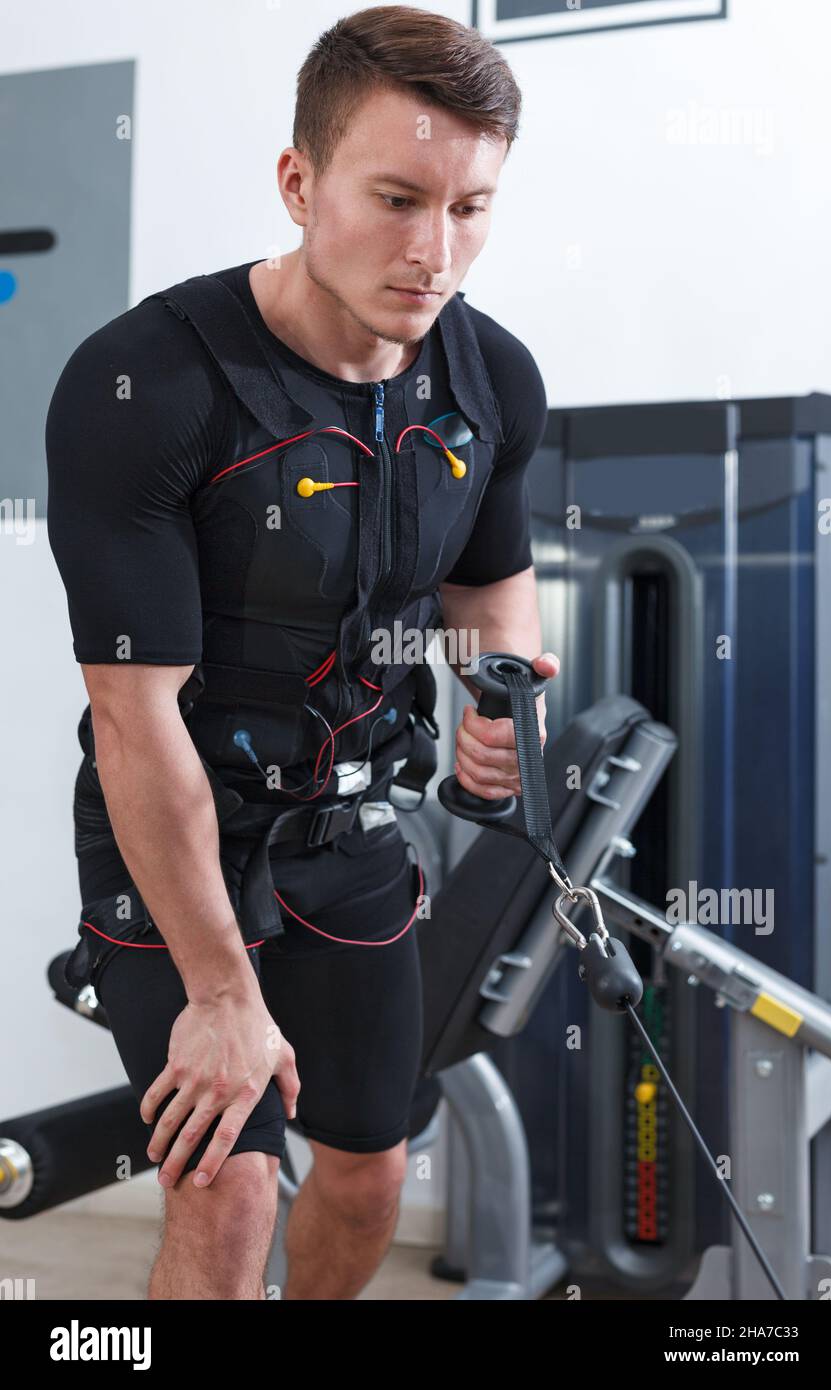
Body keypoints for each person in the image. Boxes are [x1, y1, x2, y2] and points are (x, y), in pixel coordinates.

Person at [46, 3, 559, 1300]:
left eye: (469, 207)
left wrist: (498, 700)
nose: (434, 250)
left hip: (349, 835)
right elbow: (131, 712)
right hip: (171, 829)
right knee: (223, 1190)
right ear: (297, 180)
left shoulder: (490, 379)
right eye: (396, 198)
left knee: (368, 1172)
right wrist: (221, 991)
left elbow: (491, 588)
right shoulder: (145, 384)